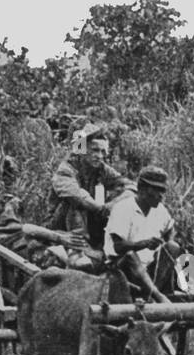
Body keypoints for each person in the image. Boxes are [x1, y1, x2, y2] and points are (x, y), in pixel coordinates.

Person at [49, 127, 127, 267]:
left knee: (119, 198)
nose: (100, 156)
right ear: (82, 150)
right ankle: (78, 248)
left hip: (90, 221)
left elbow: (129, 186)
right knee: (77, 203)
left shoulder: (101, 168)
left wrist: (113, 204)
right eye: (95, 150)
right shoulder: (66, 169)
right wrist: (101, 208)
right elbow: (75, 195)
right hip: (60, 225)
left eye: (103, 152)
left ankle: (112, 244)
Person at [104, 165, 180, 303]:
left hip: (148, 271)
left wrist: (166, 241)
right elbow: (118, 247)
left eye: (162, 190)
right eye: (156, 190)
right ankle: (157, 296)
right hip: (122, 269)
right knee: (130, 255)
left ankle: (149, 294)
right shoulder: (123, 208)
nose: (161, 195)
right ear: (142, 189)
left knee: (173, 247)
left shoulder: (160, 210)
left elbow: (170, 229)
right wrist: (144, 244)